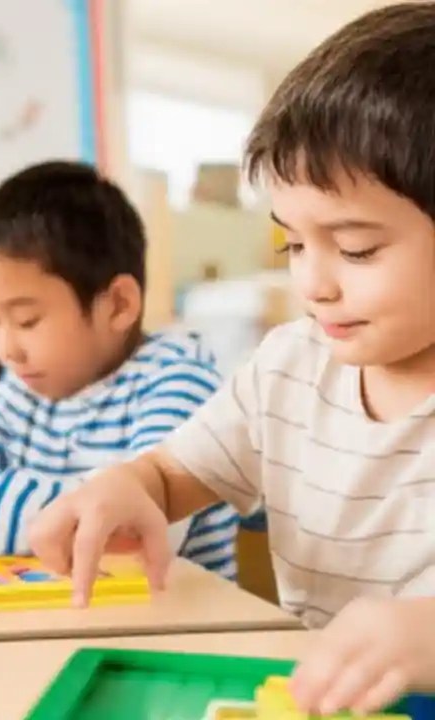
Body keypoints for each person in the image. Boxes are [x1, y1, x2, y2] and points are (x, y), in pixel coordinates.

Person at [26, 4, 435, 715]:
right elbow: (175, 471)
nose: (314, 282)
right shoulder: (288, 369)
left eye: (358, 248)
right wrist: (131, 485)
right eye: (294, 245)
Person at [0, 162, 238, 578]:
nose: (7, 349)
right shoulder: (22, 387)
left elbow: (130, 520)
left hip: (175, 623)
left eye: (27, 321)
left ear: (118, 305)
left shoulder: (178, 380)